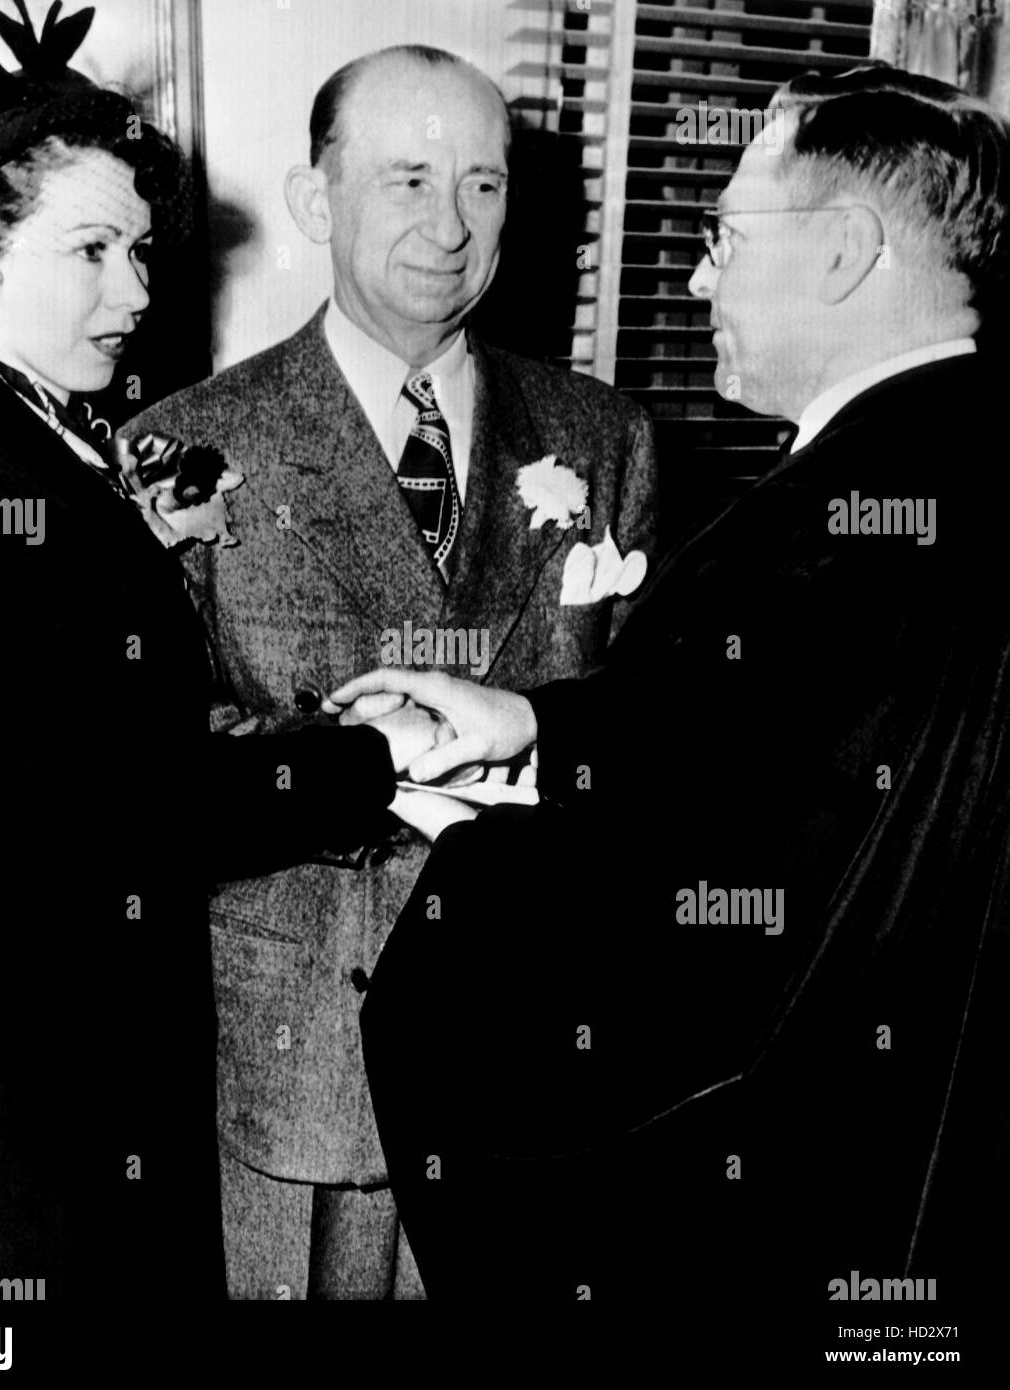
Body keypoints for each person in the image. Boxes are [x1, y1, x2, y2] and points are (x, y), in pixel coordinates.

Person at [332, 64, 1010, 1322]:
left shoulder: (821, 523)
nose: (696, 278)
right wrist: (537, 726)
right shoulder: (964, 465)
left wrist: (481, 843)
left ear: (845, 252)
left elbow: (714, 901)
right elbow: (787, 748)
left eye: (721, 239)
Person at [0, 1, 428, 1300]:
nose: (139, 287)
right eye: (93, 249)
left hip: (86, 1030)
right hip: (20, 1069)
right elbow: (123, 806)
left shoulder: (42, 450)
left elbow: (106, 723)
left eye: (142, 249)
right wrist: (375, 757)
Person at [121, 43, 657, 1298]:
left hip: (532, 1062)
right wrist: (366, 772)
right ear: (319, 200)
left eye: (483, 183)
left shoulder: (605, 436)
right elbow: (152, 757)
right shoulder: (182, 448)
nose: (450, 224)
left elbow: (653, 729)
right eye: (408, 178)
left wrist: (529, 753)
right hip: (298, 1071)